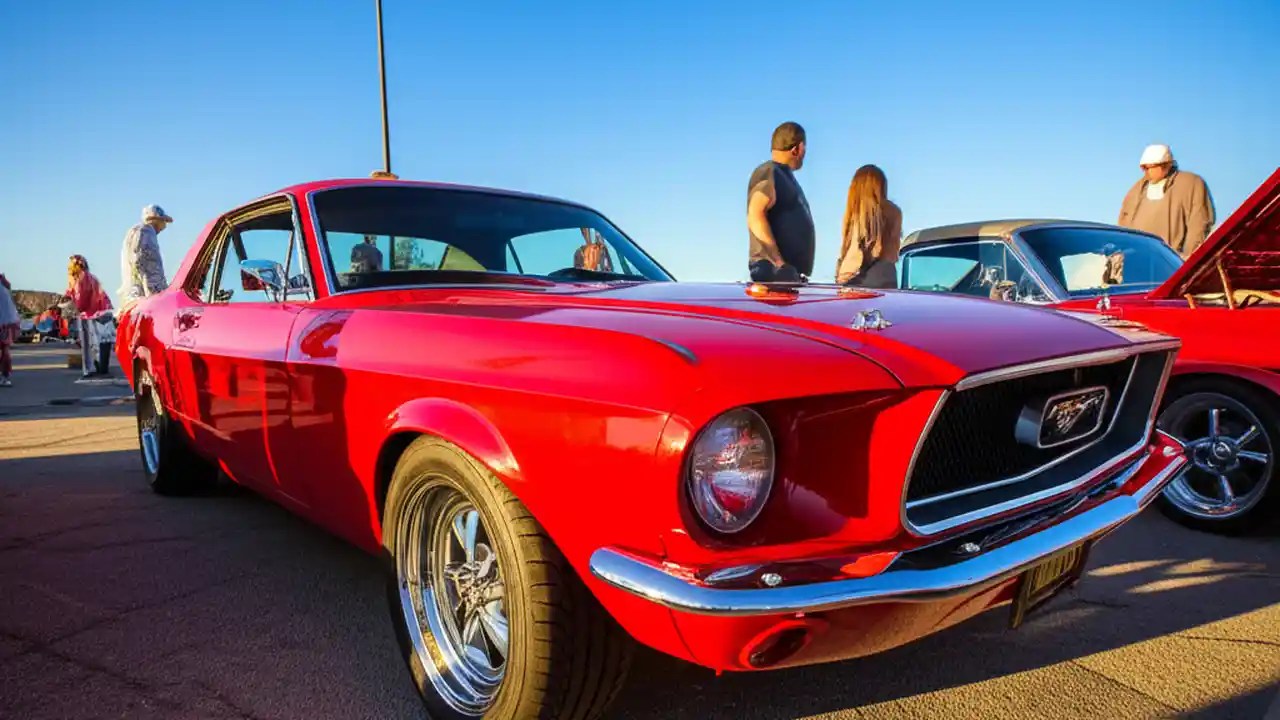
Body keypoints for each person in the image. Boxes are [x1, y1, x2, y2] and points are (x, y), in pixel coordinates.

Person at [1118, 144, 1216, 258]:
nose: (1145, 172)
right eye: (1143, 168)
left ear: (1165, 165)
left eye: (1149, 167)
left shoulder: (1190, 184)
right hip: (1137, 261)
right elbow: (1123, 228)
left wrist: (1187, 259)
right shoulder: (1136, 191)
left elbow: (1199, 223)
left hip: (1171, 263)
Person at [747, 121, 815, 283]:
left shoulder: (783, 175)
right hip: (773, 273)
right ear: (797, 149)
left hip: (787, 275)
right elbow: (755, 214)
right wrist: (778, 262)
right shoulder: (770, 171)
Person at [835, 164, 903, 288]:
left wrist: (843, 273)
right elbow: (894, 253)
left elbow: (856, 251)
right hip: (887, 275)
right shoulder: (894, 212)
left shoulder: (857, 214)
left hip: (860, 278)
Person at [65, 255, 113, 377]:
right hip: (103, 310)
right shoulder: (91, 277)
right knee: (102, 341)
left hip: (90, 313)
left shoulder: (80, 279)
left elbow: (81, 300)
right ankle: (101, 366)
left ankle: (88, 368)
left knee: (87, 342)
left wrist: (73, 305)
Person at [119, 204, 174, 304]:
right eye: (163, 221)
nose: (164, 226)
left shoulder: (133, 232)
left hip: (131, 297)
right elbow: (151, 269)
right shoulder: (147, 232)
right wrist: (159, 298)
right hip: (143, 301)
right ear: (156, 220)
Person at [0, 273, 19, 387]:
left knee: (5, 348)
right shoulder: (4, 284)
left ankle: (5, 376)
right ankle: (5, 376)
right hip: (9, 321)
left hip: (4, 321)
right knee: (5, 348)